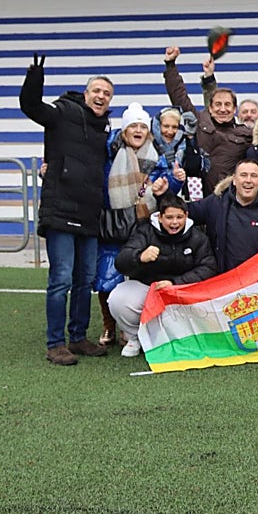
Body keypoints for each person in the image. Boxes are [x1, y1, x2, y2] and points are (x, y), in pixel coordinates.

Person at [20, 54, 114, 365]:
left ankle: (77, 338)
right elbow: (31, 107)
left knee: (84, 279)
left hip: (89, 213)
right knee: (60, 278)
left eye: (107, 94)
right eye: (97, 91)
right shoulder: (62, 112)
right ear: (86, 94)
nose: (101, 96)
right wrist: (35, 78)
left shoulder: (104, 129)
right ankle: (54, 343)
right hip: (60, 210)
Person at [95, 102, 171, 347]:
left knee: (144, 275)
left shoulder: (156, 152)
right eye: (133, 126)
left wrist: (169, 185)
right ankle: (109, 325)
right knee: (106, 278)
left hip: (145, 225)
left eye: (142, 126)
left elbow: (167, 181)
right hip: (113, 223)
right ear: (124, 129)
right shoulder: (109, 151)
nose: (138, 131)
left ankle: (136, 326)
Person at [107, 193, 218, 358]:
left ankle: (183, 336)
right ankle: (135, 337)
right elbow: (121, 262)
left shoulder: (198, 237)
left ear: (186, 216)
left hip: (182, 292)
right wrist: (139, 257)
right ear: (160, 217)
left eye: (179, 217)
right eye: (169, 217)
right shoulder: (145, 232)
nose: (175, 222)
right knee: (118, 298)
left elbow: (208, 268)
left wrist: (175, 283)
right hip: (150, 289)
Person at [184, 158, 258, 274]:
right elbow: (182, 212)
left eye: (253, 176)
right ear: (234, 180)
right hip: (225, 281)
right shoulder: (216, 202)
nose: (248, 180)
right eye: (243, 175)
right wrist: (167, 191)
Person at [163, 45, 252, 195]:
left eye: (227, 105)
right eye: (218, 104)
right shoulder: (198, 121)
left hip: (228, 200)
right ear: (210, 108)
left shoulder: (246, 134)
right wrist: (170, 65)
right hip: (195, 198)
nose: (222, 109)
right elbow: (179, 97)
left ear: (235, 109)